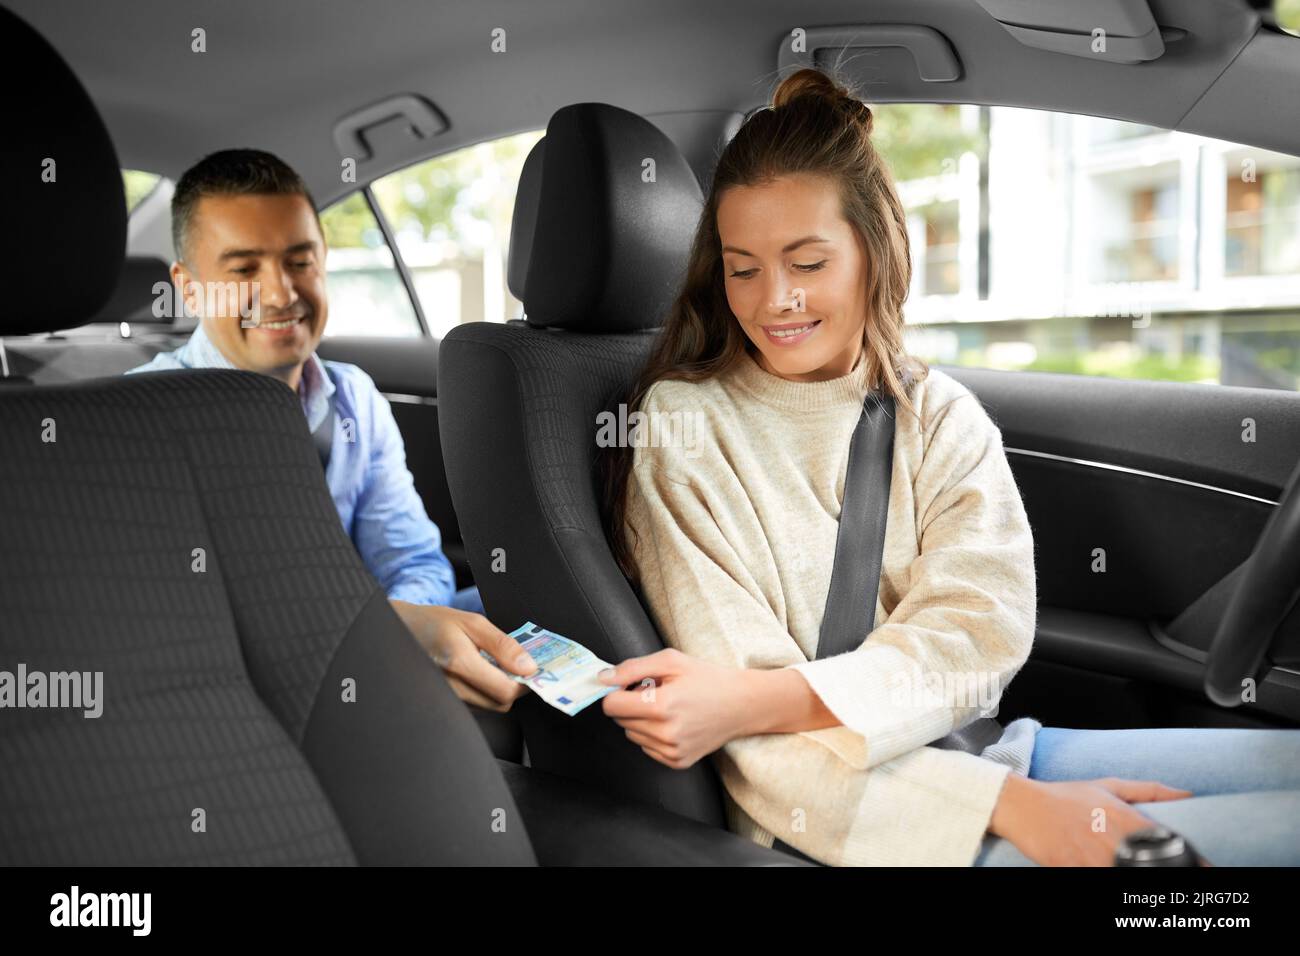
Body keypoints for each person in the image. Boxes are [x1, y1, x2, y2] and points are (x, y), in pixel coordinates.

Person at [594, 68, 1300, 866]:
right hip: (839, 818)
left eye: (808, 261)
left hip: (982, 753)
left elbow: (980, 632)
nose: (773, 299)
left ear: (874, 251)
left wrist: (1006, 788)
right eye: (743, 267)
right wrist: (1009, 811)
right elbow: (741, 736)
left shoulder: (937, 413)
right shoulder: (686, 426)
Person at [128, 149, 535, 712]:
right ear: (190, 288)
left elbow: (412, 564)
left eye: (300, 261)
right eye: (243, 269)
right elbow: (168, 616)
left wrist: (400, 631)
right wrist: (379, 633)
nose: (280, 294)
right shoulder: (133, 419)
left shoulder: (354, 400)